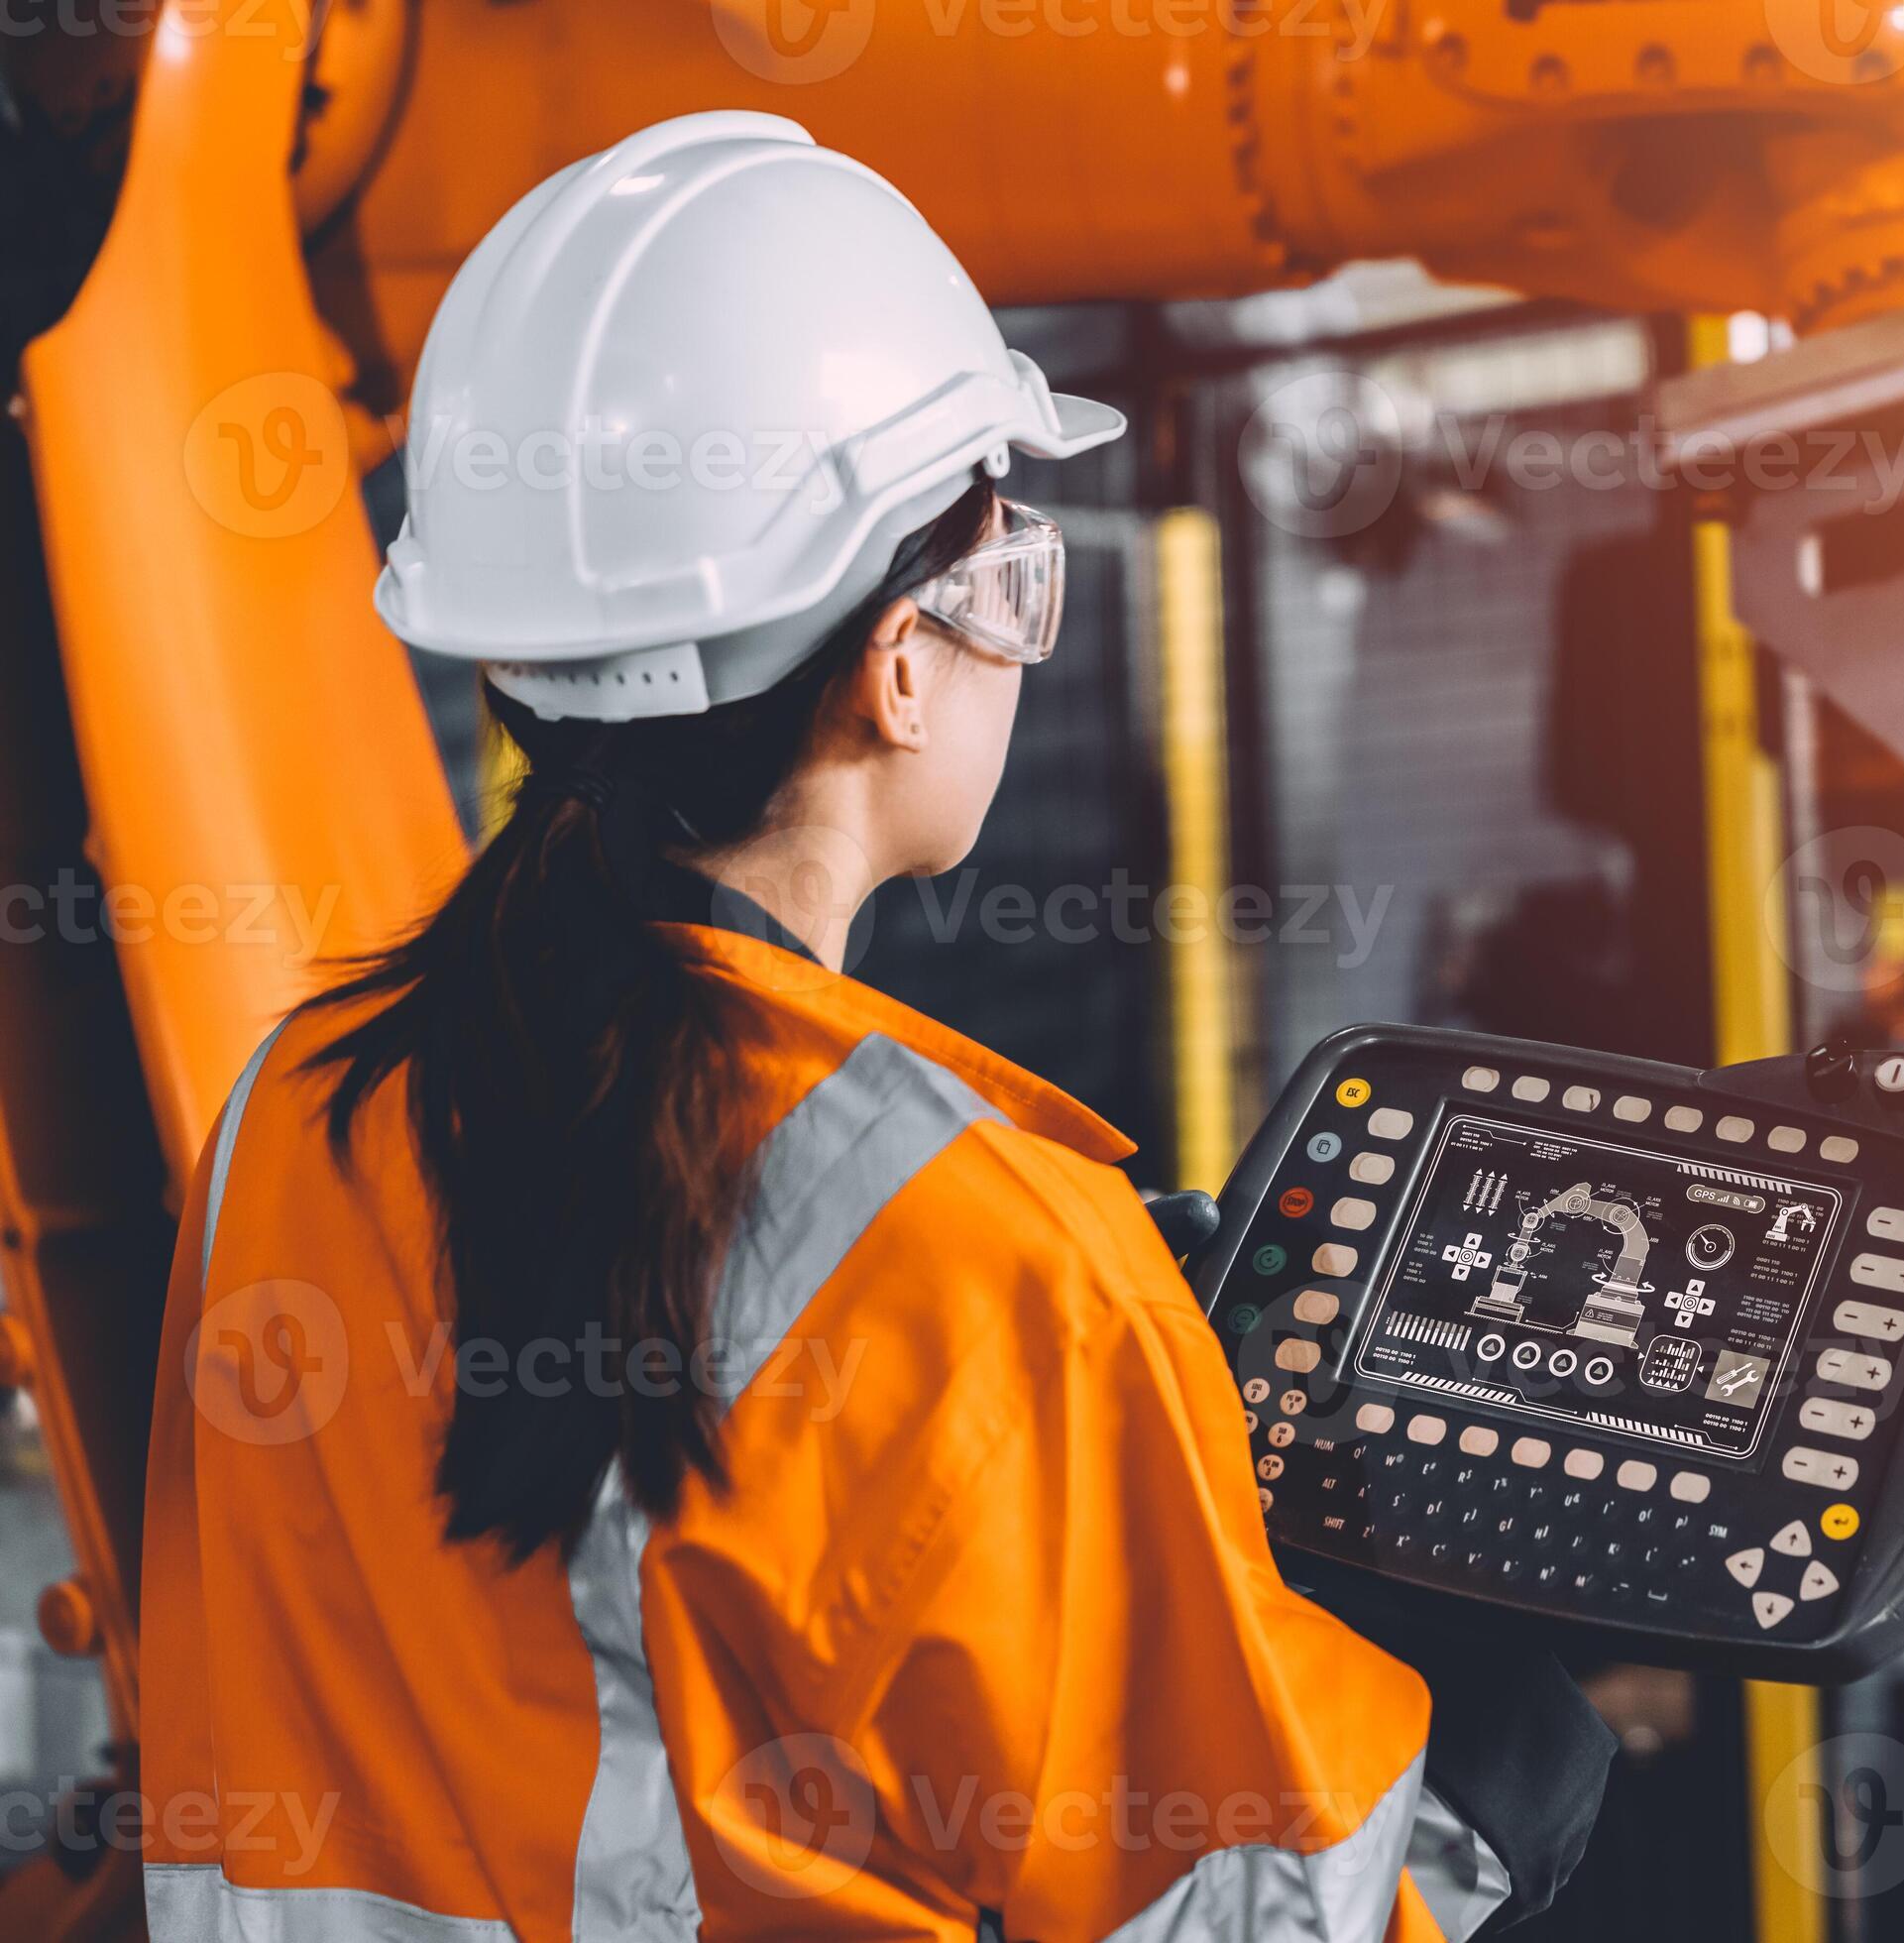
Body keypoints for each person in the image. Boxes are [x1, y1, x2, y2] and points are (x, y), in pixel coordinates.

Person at [143, 111, 1607, 1942]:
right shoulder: (996, 1270)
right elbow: (1249, 1914)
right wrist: (1501, 1754)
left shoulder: (292, 1117)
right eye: (1015, 566)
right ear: (903, 660)